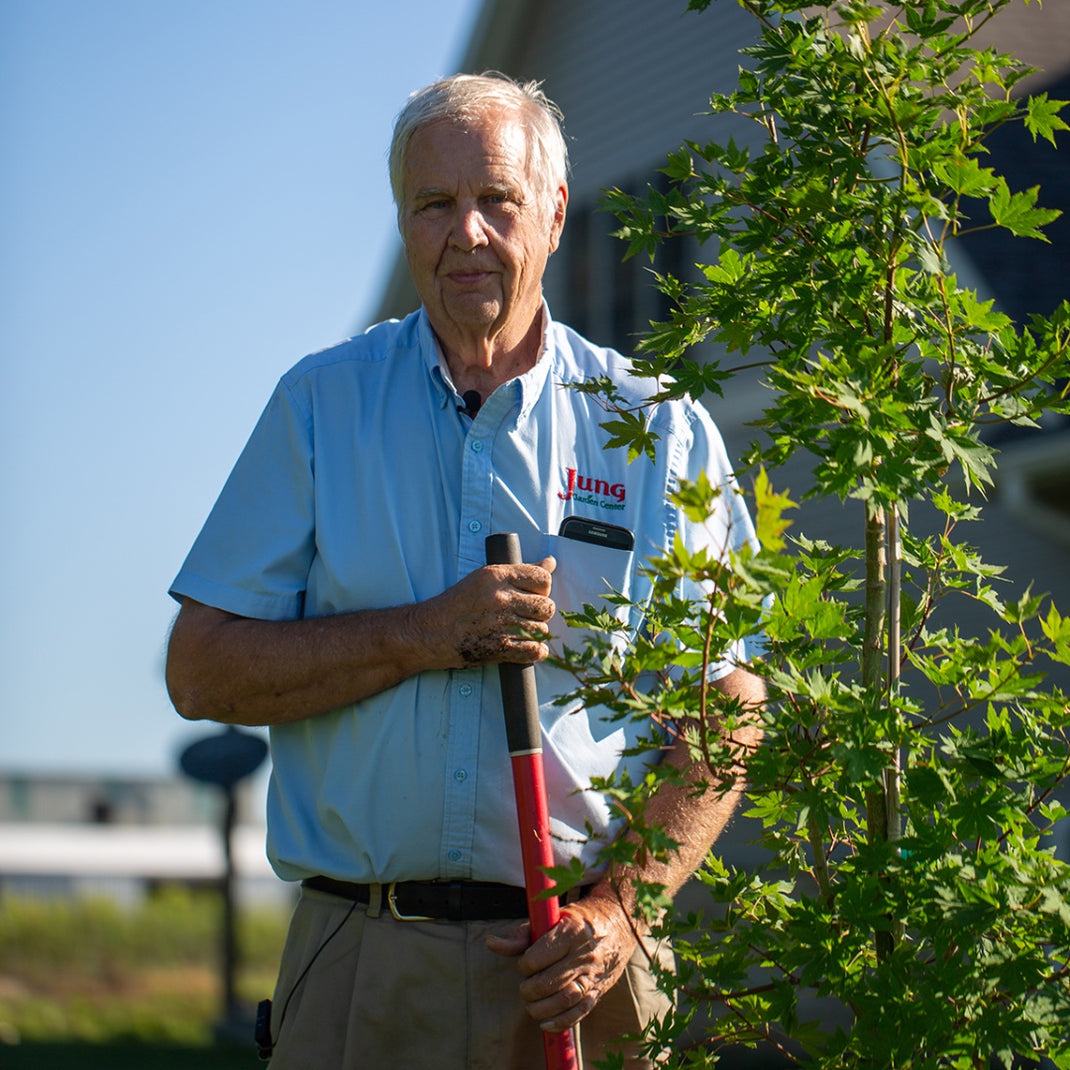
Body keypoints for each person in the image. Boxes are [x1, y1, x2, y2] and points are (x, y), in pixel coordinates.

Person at [166, 72, 765, 1070]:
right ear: (403, 222)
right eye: (433, 204)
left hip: (577, 960)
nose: (467, 233)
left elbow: (728, 700)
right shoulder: (322, 407)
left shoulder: (654, 429)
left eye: (495, 199)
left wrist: (620, 910)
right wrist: (421, 635)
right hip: (363, 957)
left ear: (555, 212)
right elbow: (201, 670)